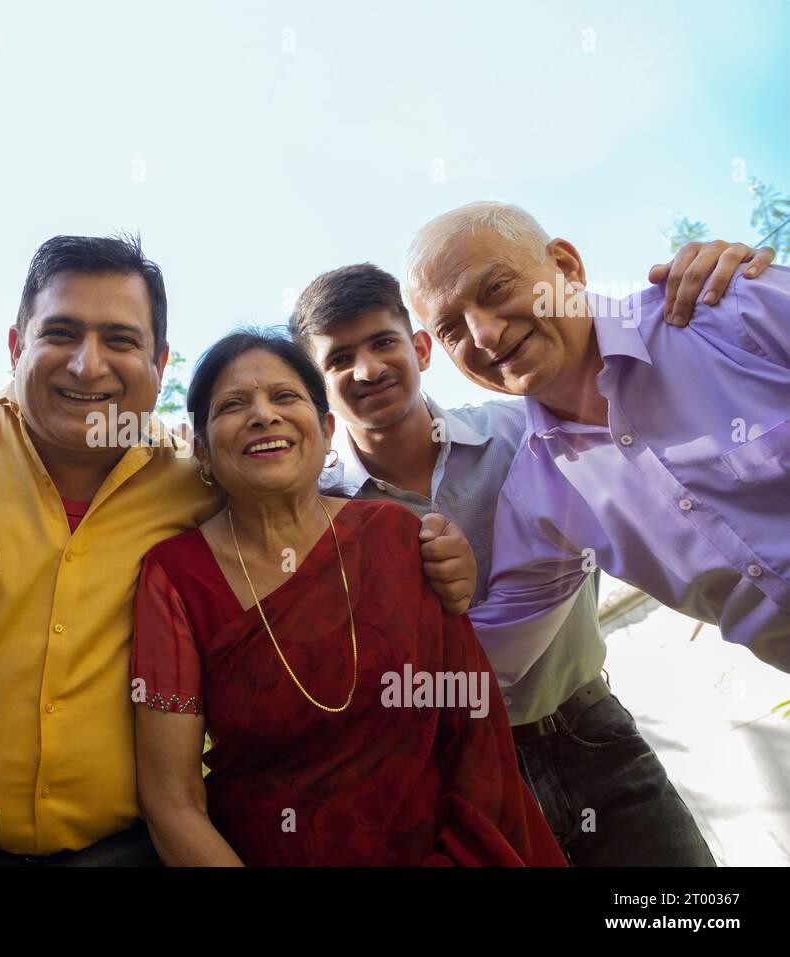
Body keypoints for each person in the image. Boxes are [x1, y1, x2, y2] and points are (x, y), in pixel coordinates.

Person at [0, 234, 478, 865]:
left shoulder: (198, 476)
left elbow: (304, 505)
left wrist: (436, 544)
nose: (88, 365)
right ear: (14, 345)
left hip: (131, 853)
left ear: (159, 362)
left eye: (120, 339)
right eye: (61, 333)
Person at [288, 244, 777, 863]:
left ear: (419, 349)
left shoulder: (531, 428)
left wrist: (715, 268)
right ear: (316, 387)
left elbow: (626, 375)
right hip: (449, 773)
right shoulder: (318, 515)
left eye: (382, 342)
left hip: (589, 728)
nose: (367, 369)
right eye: (339, 359)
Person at [132, 330, 566, 866]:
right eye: (232, 405)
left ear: (327, 428)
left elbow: (472, 733)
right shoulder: (176, 577)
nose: (264, 416)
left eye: (285, 397)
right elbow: (172, 802)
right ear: (201, 451)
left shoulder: (396, 537)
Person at [402, 200, 790, 684]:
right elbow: (480, 667)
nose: (484, 334)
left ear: (567, 266)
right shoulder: (538, 499)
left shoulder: (730, 309)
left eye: (497, 288)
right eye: (452, 329)